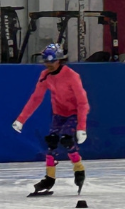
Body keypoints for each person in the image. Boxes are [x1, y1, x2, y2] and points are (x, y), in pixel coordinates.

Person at [12, 43, 90, 195]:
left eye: (52, 62)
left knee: (67, 140)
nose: (49, 65)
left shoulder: (72, 76)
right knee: (52, 141)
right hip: (59, 114)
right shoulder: (45, 76)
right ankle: (49, 178)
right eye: (46, 62)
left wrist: (82, 127)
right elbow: (36, 98)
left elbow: (83, 103)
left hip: (74, 113)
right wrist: (21, 119)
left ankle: (79, 168)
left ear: (59, 60)